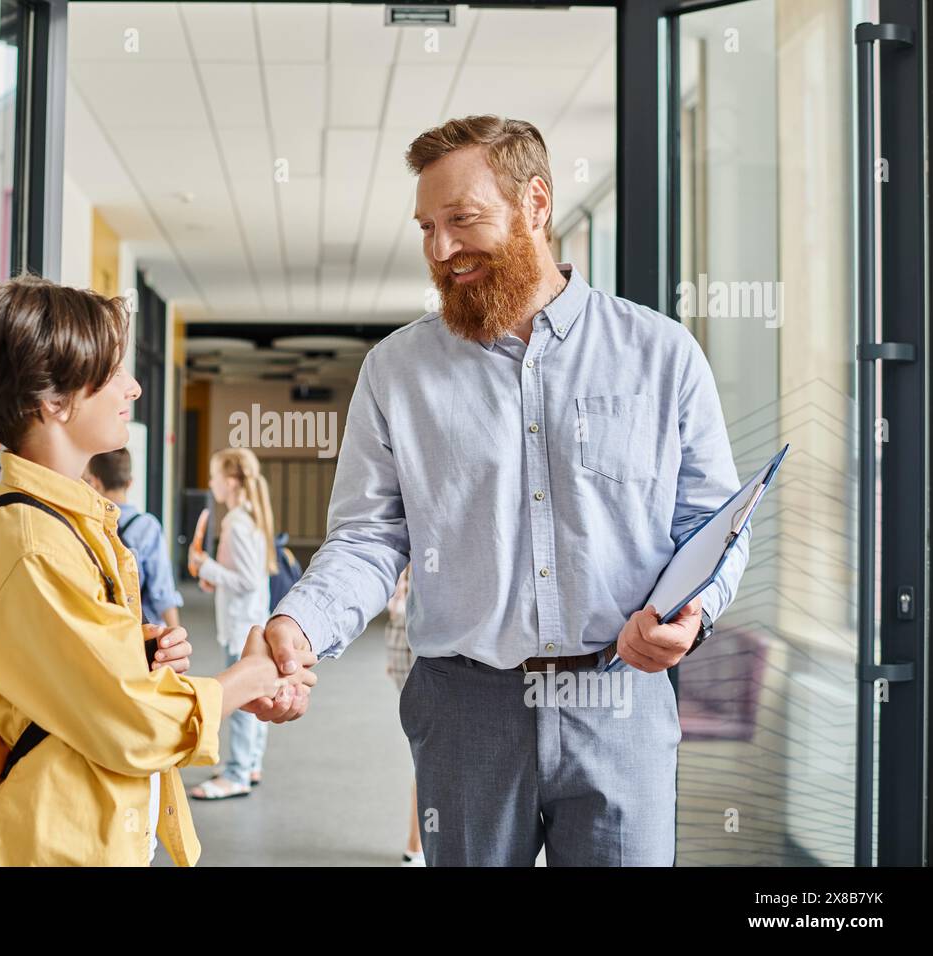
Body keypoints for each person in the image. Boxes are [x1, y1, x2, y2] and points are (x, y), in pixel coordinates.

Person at [253, 115, 751, 866]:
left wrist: (695, 613)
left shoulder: (661, 355)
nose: (440, 249)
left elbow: (713, 524)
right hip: (464, 710)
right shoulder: (397, 373)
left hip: (619, 699)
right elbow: (369, 538)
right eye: (427, 226)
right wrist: (301, 623)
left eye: (463, 220)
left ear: (537, 204)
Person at [0, 274, 315, 865]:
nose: (135, 388)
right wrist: (249, 678)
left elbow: (72, 686)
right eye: (112, 373)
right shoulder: (32, 543)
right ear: (54, 401)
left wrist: (130, 657)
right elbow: (132, 724)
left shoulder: (67, 522)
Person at [187, 447, 277, 800]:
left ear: (228, 481)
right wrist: (214, 572)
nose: (211, 484)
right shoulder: (250, 517)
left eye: (213, 478)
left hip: (242, 628)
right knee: (256, 697)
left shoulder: (236, 523)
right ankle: (250, 763)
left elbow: (247, 580)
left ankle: (237, 774)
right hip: (251, 623)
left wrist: (205, 566)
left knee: (242, 703)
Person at [85, 447, 184, 628]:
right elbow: (162, 591)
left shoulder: (89, 522)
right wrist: (175, 632)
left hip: (102, 625)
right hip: (142, 628)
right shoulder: (147, 526)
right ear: (129, 483)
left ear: (95, 482)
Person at [383, 565, 422, 866]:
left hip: (413, 674)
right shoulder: (409, 573)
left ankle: (417, 846)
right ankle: (416, 846)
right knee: (424, 768)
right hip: (415, 680)